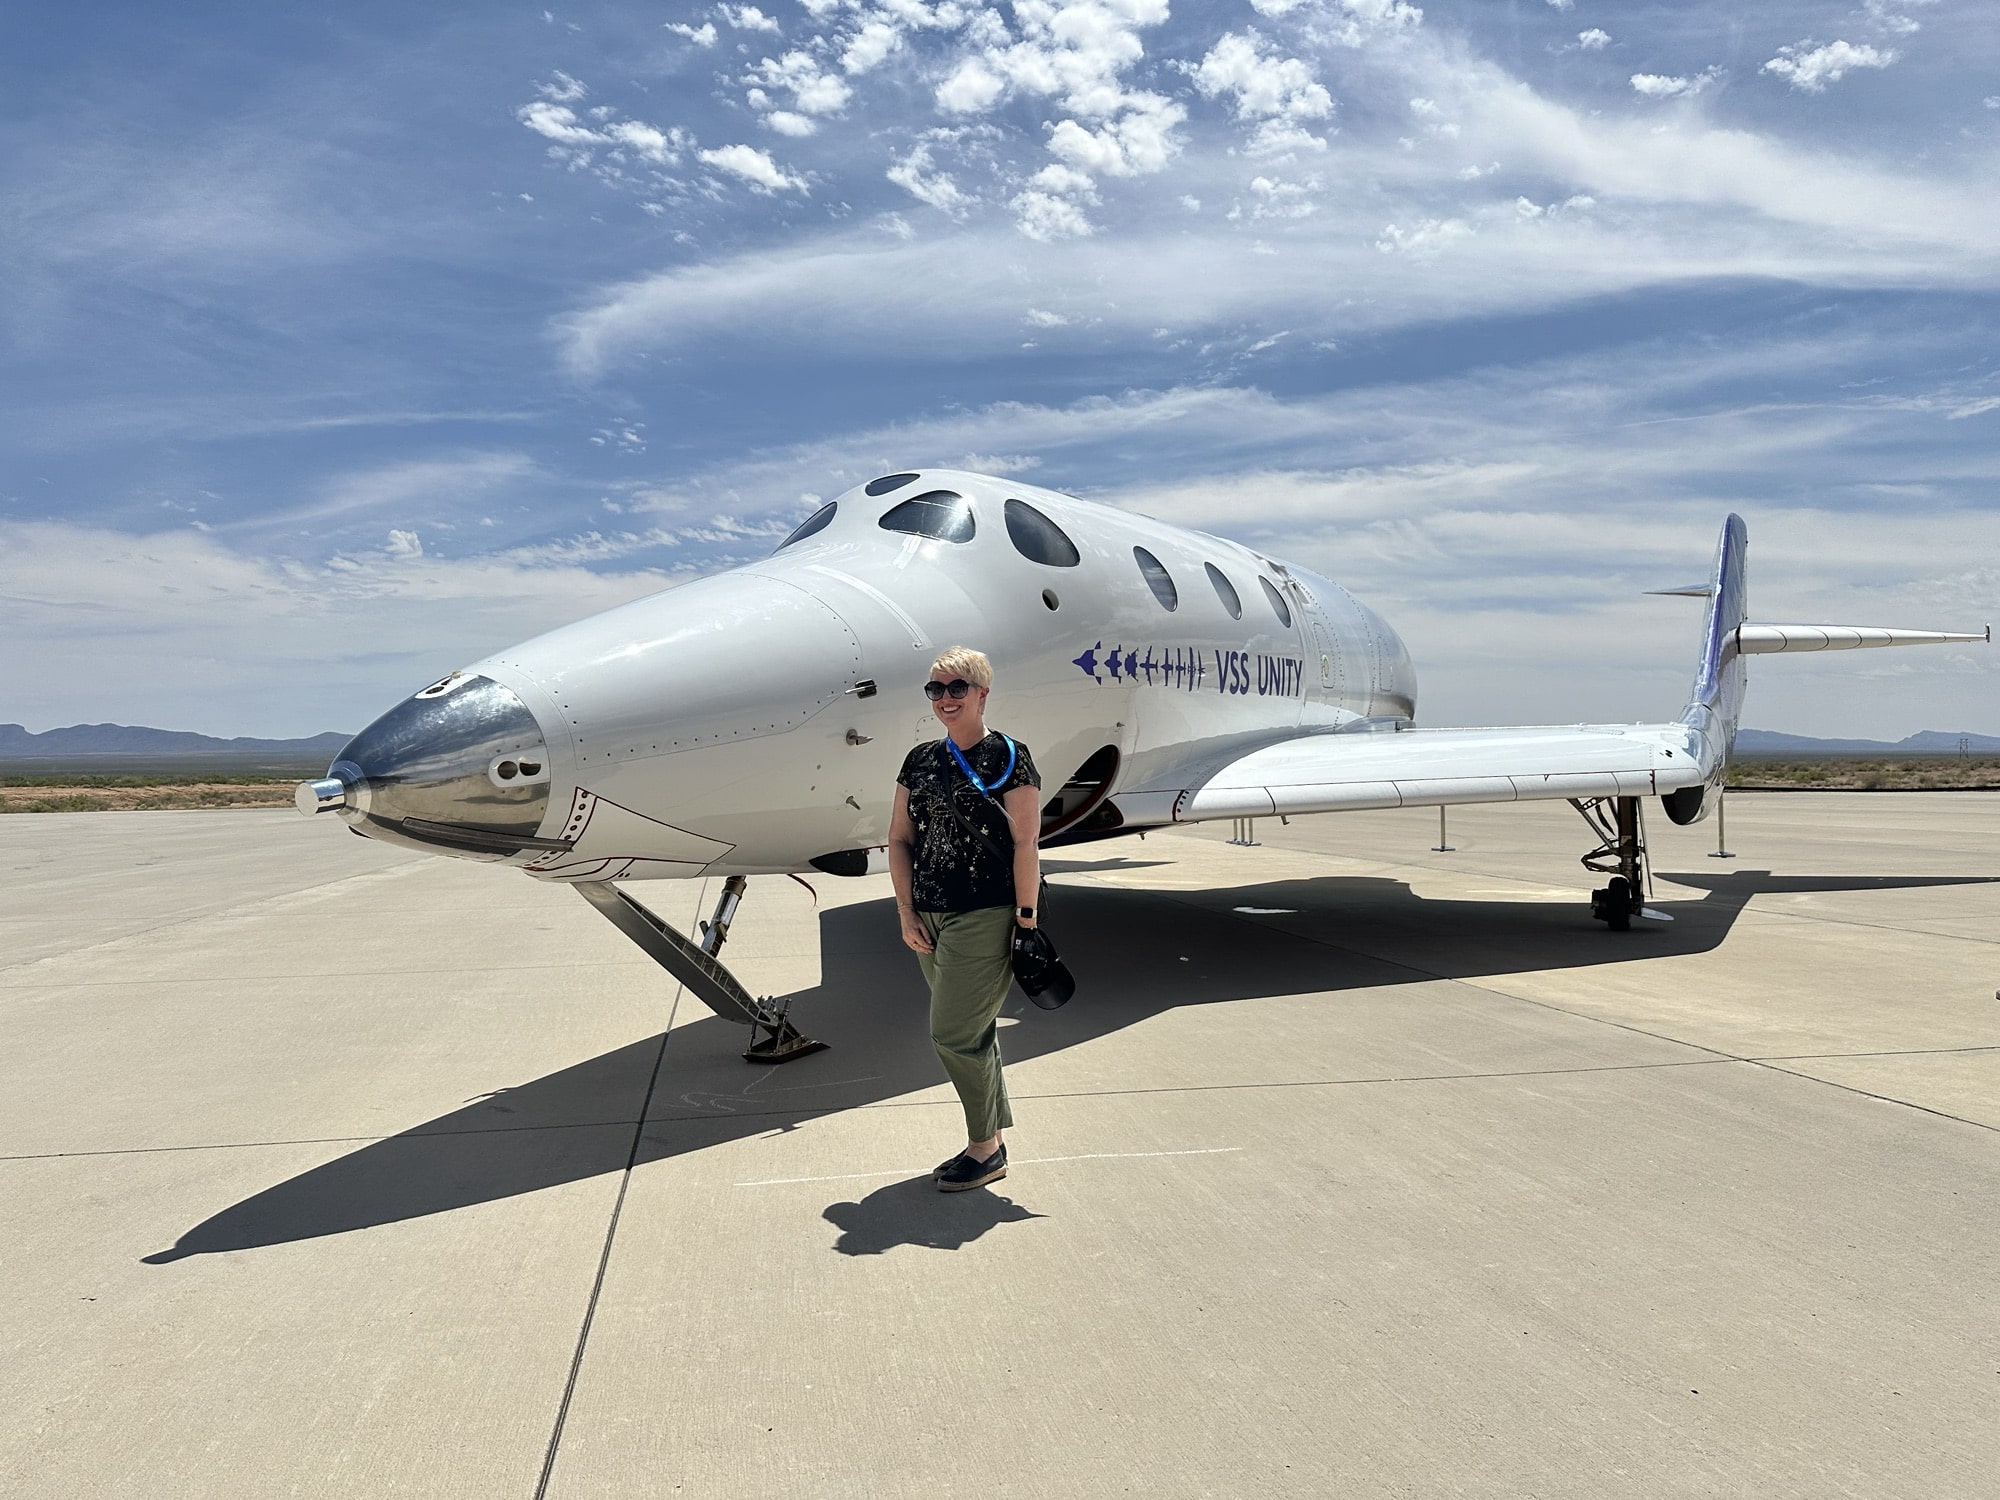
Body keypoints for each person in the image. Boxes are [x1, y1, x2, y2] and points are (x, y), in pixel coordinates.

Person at [888, 646, 1042, 1192]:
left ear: (982, 693)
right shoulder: (919, 760)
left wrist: (1025, 921)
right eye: (936, 689)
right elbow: (900, 839)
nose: (945, 699)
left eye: (957, 688)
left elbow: (1026, 842)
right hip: (928, 912)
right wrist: (906, 911)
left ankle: (983, 1148)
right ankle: (992, 1142)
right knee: (974, 1032)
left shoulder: (1009, 757)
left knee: (952, 1032)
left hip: (986, 911)